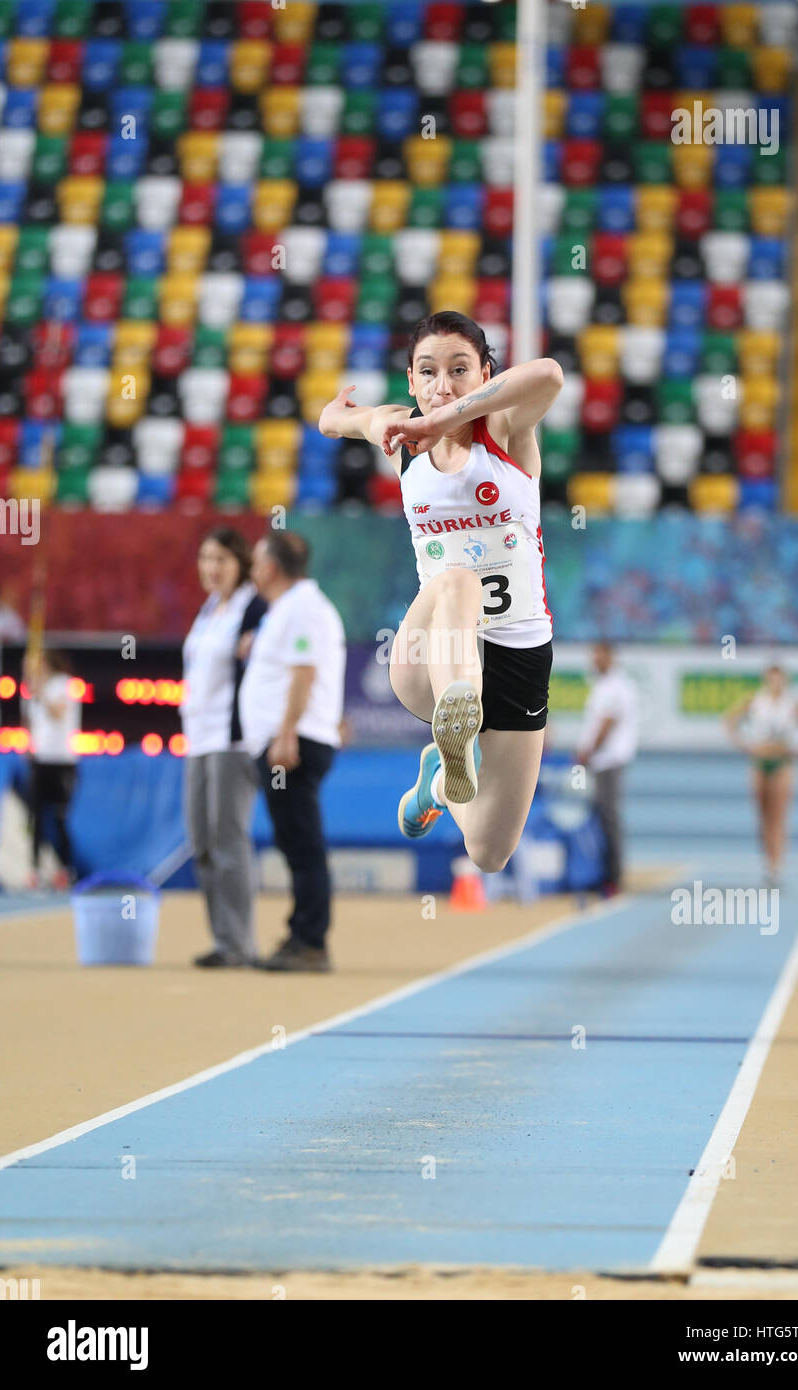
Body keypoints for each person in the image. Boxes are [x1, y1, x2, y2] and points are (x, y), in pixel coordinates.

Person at [319, 310, 563, 874]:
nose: (442, 384)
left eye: (459, 370)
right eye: (427, 372)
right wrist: (350, 419)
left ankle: (436, 777)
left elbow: (549, 374)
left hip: (518, 653)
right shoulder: (401, 430)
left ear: (484, 375)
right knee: (458, 581)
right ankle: (457, 713)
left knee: (489, 852)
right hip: (426, 660)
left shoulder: (504, 427)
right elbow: (335, 420)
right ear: (410, 379)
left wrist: (444, 418)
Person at [239, 530, 346, 973]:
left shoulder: (301, 608)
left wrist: (286, 733)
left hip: (293, 743)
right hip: (292, 737)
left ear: (269, 568)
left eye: (256, 562)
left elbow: (303, 672)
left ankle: (309, 940)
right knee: (296, 842)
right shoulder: (290, 609)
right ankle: (304, 935)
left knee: (302, 844)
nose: (251, 571)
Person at [181, 527, 266, 968]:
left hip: (231, 740)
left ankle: (240, 943)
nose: (212, 568)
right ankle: (222, 938)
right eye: (206, 558)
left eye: (222, 560)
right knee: (203, 843)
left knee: (229, 841)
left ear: (241, 565)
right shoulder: (210, 609)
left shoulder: (254, 607)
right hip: (197, 739)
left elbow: (275, 658)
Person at [724, 664, 798, 885]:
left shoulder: (793, 703)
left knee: (779, 816)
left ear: (784, 681)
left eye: (778, 679)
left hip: (782, 761)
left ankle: (776, 866)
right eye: (771, 679)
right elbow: (729, 722)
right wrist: (745, 745)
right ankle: (767, 861)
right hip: (760, 760)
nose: (775, 683)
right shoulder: (755, 700)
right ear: (766, 680)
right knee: (762, 815)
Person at [576, 643, 639, 896]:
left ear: (610, 657)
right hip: (602, 761)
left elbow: (607, 723)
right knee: (603, 817)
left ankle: (613, 876)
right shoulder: (604, 685)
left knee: (608, 817)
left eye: (599, 656)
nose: (594, 661)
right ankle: (605, 872)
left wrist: (587, 752)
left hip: (608, 761)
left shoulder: (615, 687)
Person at [22, 649, 80, 890]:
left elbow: (58, 713)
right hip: (40, 760)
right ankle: (35, 869)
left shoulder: (63, 684)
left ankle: (65, 869)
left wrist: (41, 691)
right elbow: (31, 723)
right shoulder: (33, 692)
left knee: (60, 818)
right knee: (34, 816)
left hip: (62, 762)